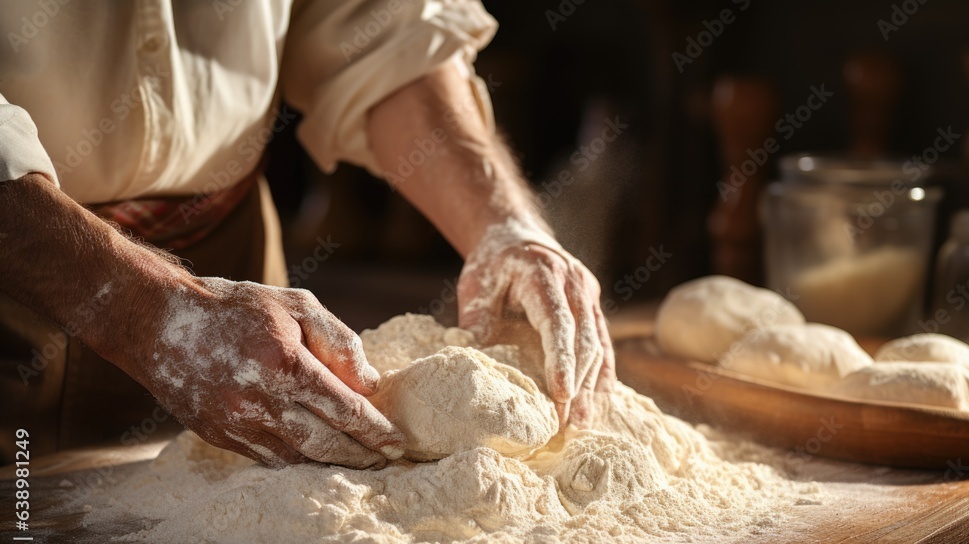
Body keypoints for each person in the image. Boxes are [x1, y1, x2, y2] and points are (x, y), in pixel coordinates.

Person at [0, 0, 615, 468]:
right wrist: (146, 311)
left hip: (236, 280)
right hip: (23, 265)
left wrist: (504, 224)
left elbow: (382, 28)